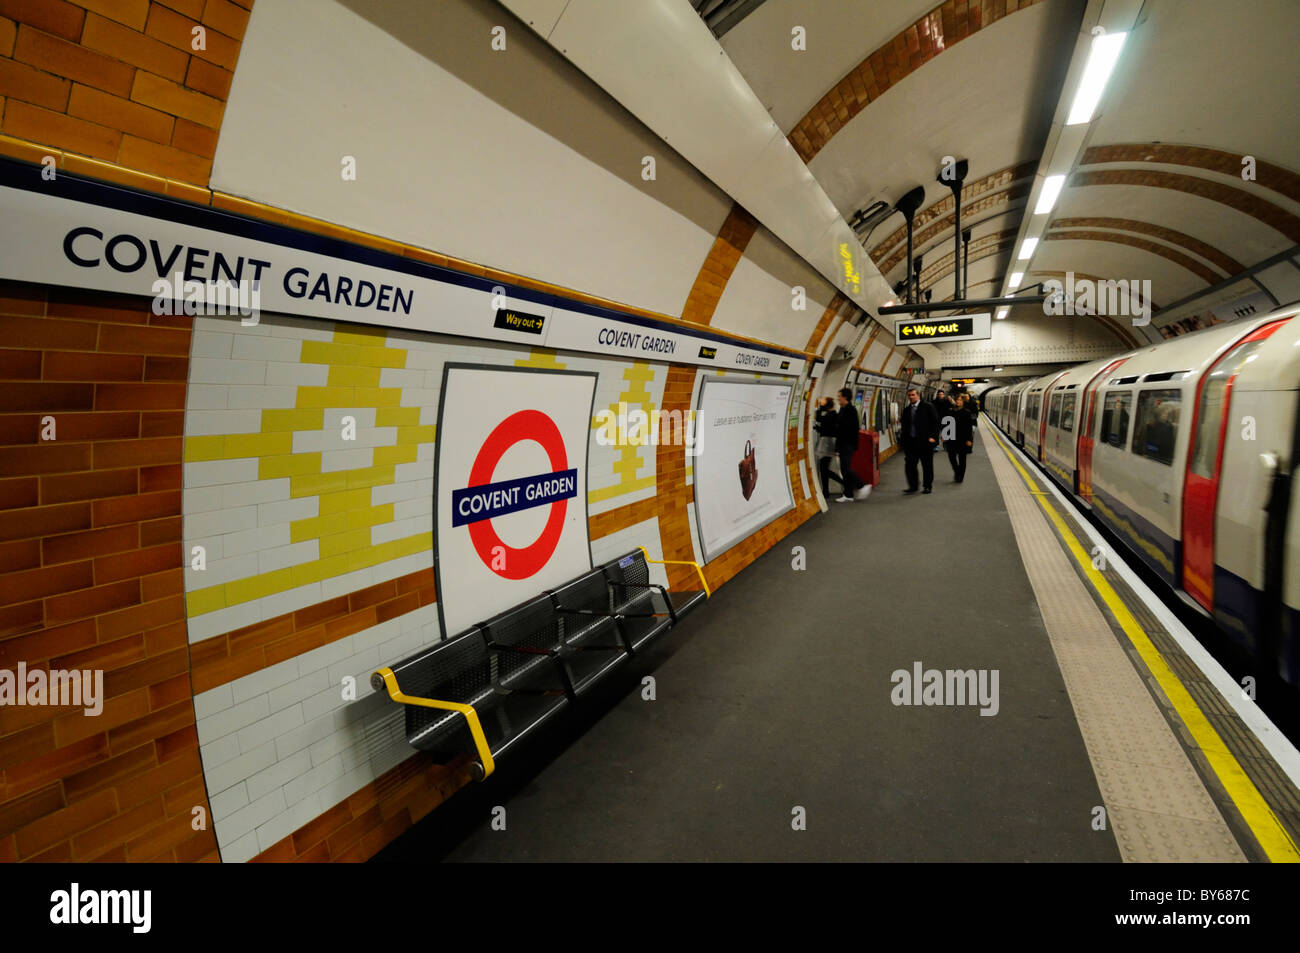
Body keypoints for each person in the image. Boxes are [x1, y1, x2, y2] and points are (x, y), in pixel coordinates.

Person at [834, 387, 871, 502]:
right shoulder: (843, 409)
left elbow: (848, 430)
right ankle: (848, 494)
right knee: (844, 470)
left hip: (847, 444)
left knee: (846, 469)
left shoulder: (850, 410)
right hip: (844, 444)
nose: (838, 398)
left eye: (839, 396)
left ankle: (862, 484)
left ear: (845, 397)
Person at [900, 387, 939, 494]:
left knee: (927, 465)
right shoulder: (907, 410)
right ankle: (913, 486)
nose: (911, 397)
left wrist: (933, 438)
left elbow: (935, 423)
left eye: (913, 395)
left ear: (918, 395)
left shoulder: (928, 407)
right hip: (911, 443)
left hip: (925, 442)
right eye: (909, 395)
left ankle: (927, 486)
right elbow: (904, 426)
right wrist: (903, 442)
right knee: (910, 465)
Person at [813, 396, 843, 500]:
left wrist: (819, 408)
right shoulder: (834, 415)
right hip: (829, 442)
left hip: (827, 443)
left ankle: (843, 483)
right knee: (824, 468)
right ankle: (825, 491)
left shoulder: (831, 416)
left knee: (824, 468)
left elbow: (819, 419)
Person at [943, 394, 974, 483]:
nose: (958, 401)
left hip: (963, 439)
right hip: (951, 438)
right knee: (951, 457)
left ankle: (960, 476)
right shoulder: (950, 411)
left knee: (962, 458)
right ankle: (957, 471)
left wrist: (969, 440)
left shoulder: (967, 412)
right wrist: (944, 435)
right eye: (957, 400)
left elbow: (969, 427)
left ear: (963, 402)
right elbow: (946, 423)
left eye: (960, 400)